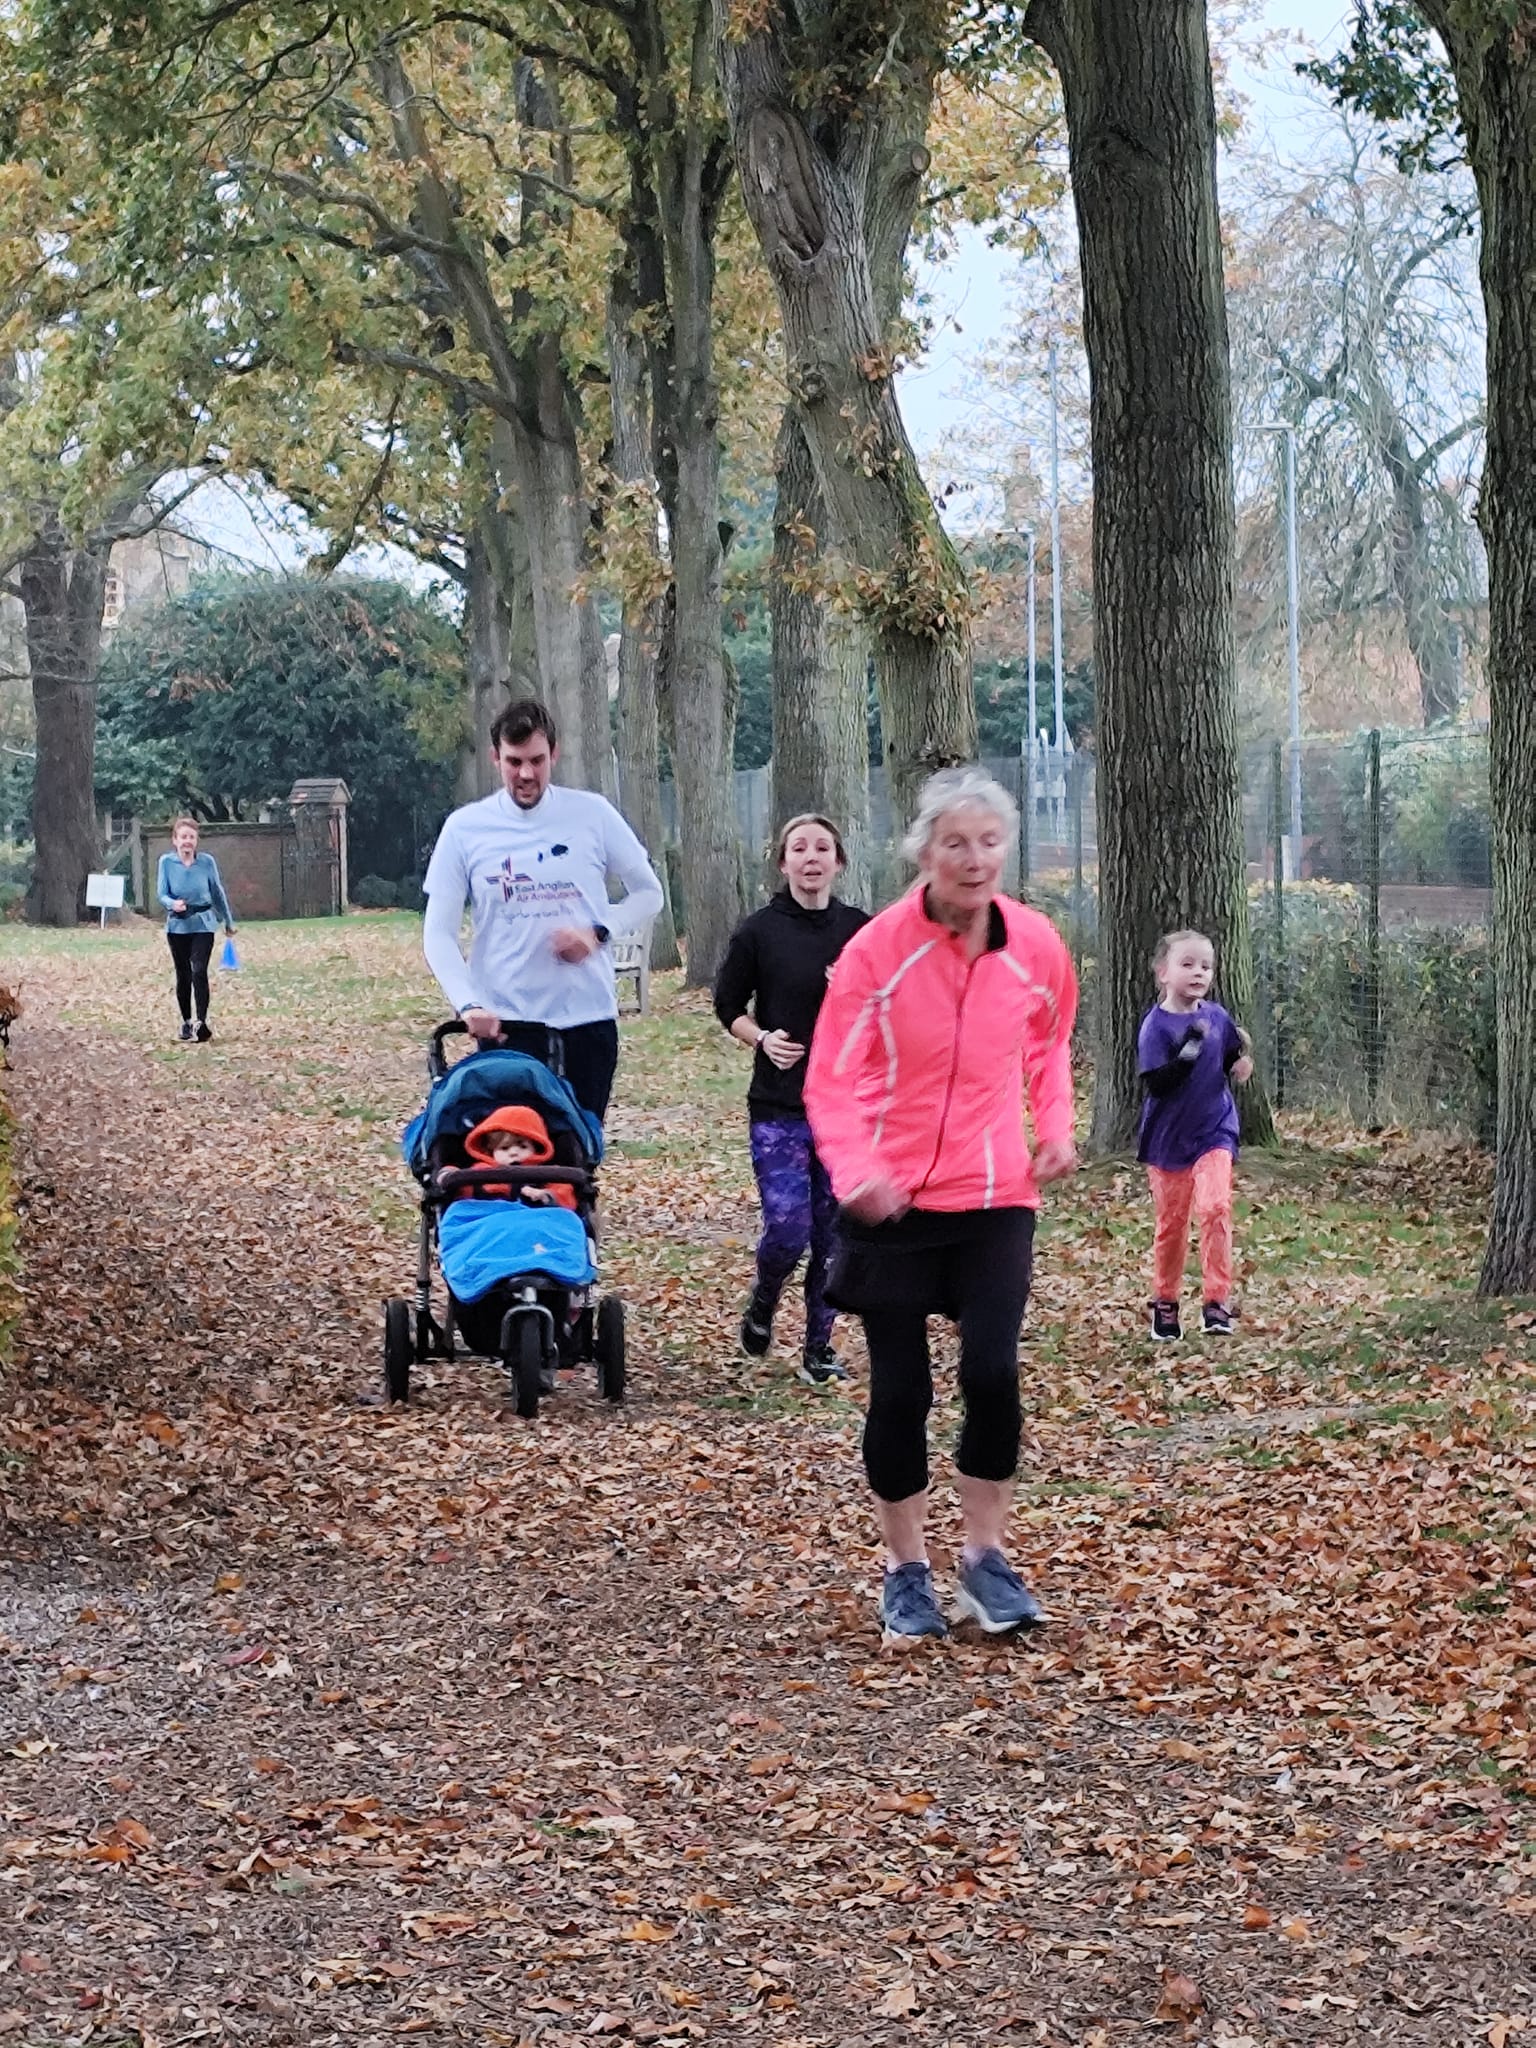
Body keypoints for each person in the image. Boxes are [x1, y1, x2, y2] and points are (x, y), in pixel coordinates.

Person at [804, 766, 1079, 1647]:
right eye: (955, 843)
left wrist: (1057, 1128)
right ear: (925, 853)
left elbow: (1050, 1042)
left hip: (997, 1193)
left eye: (989, 842)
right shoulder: (876, 953)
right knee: (902, 1392)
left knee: (993, 1373)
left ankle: (986, 1559)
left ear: (1008, 850)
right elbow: (831, 1078)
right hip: (894, 1204)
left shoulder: (1036, 945)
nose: (974, 859)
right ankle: (906, 1571)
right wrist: (855, 1173)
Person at [422, 699, 664, 1122]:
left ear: (555, 753)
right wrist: (468, 1004)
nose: (527, 774)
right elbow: (438, 934)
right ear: (495, 756)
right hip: (507, 1024)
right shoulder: (465, 829)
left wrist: (597, 933)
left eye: (537, 760)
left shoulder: (593, 814)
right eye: (514, 762)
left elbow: (648, 893)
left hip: (587, 1019)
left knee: (576, 1162)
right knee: (515, 1161)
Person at [714, 815, 869, 1387]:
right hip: (778, 1104)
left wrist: (850, 987)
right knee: (788, 1229)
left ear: (838, 862)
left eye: (822, 848)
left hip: (843, 1108)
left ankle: (818, 1347)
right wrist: (762, 1038)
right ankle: (765, 1295)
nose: (811, 857)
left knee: (832, 1234)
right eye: (798, 848)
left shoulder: (860, 931)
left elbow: (886, 1004)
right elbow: (727, 1002)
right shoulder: (758, 931)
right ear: (783, 864)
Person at [1138, 928, 1254, 1342]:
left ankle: (1216, 1301)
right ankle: (1165, 1302)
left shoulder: (1217, 1016)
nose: (1198, 973)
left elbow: (1230, 1053)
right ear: (1162, 973)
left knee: (1215, 1207)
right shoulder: (1156, 1026)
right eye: (1187, 964)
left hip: (1214, 1130)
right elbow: (1158, 1084)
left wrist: (1240, 1063)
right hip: (1169, 1140)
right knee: (1172, 1224)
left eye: (1205, 966)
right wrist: (1187, 1050)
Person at [156, 818, 236, 1044]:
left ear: (196, 840)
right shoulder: (166, 863)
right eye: (183, 837)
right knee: (183, 974)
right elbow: (161, 894)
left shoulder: (207, 862)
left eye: (191, 837)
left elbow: (217, 892)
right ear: (175, 840)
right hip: (177, 925)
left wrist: (228, 921)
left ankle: (201, 1022)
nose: (187, 842)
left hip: (203, 923)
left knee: (198, 970)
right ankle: (186, 1021)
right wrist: (172, 904)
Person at [438, 1105, 580, 1210]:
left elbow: (566, 1196)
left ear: (536, 1148)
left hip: (534, 1226)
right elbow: (459, 1189)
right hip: (486, 1223)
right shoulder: (479, 1172)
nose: (513, 1152)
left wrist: (546, 1196)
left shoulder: (546, 1174)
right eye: (504, 1148)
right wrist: (449, 1175)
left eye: (523, 1146)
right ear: (490, 1151)